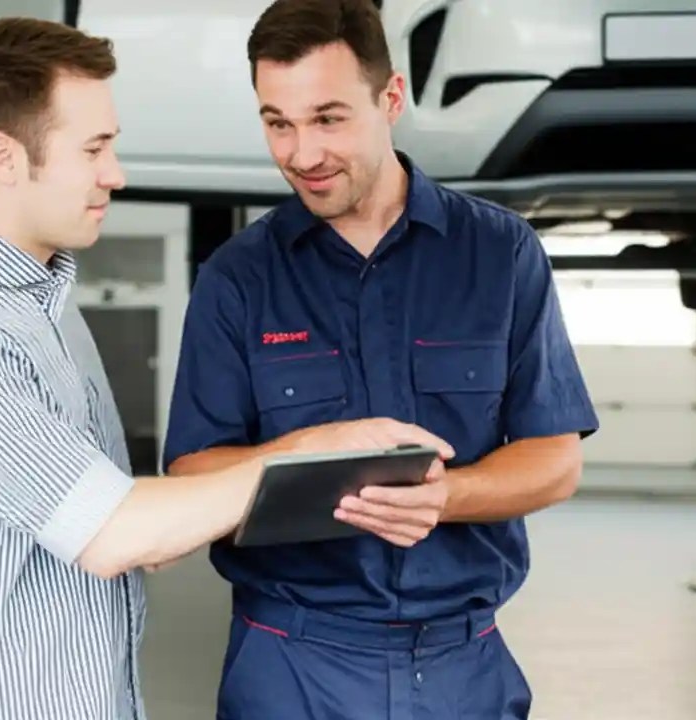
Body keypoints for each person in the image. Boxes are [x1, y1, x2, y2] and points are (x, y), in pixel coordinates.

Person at [0, 16, 455, 719]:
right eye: (94, 149)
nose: (116, 173)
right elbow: (117, 534)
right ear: (5, 157)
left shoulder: (45, 309)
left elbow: (123, 518)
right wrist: (313, 453)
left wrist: (230, 485)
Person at [162, 0, 601, 717]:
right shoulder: (237, 278)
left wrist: (443, 498)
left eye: (328, 119)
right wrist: (307, 448)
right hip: (290, 664)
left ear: (391, 98)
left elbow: (555, 457)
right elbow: (191, 471)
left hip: (462, 667)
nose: (301, 154)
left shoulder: (498, 255)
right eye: (278, 122)